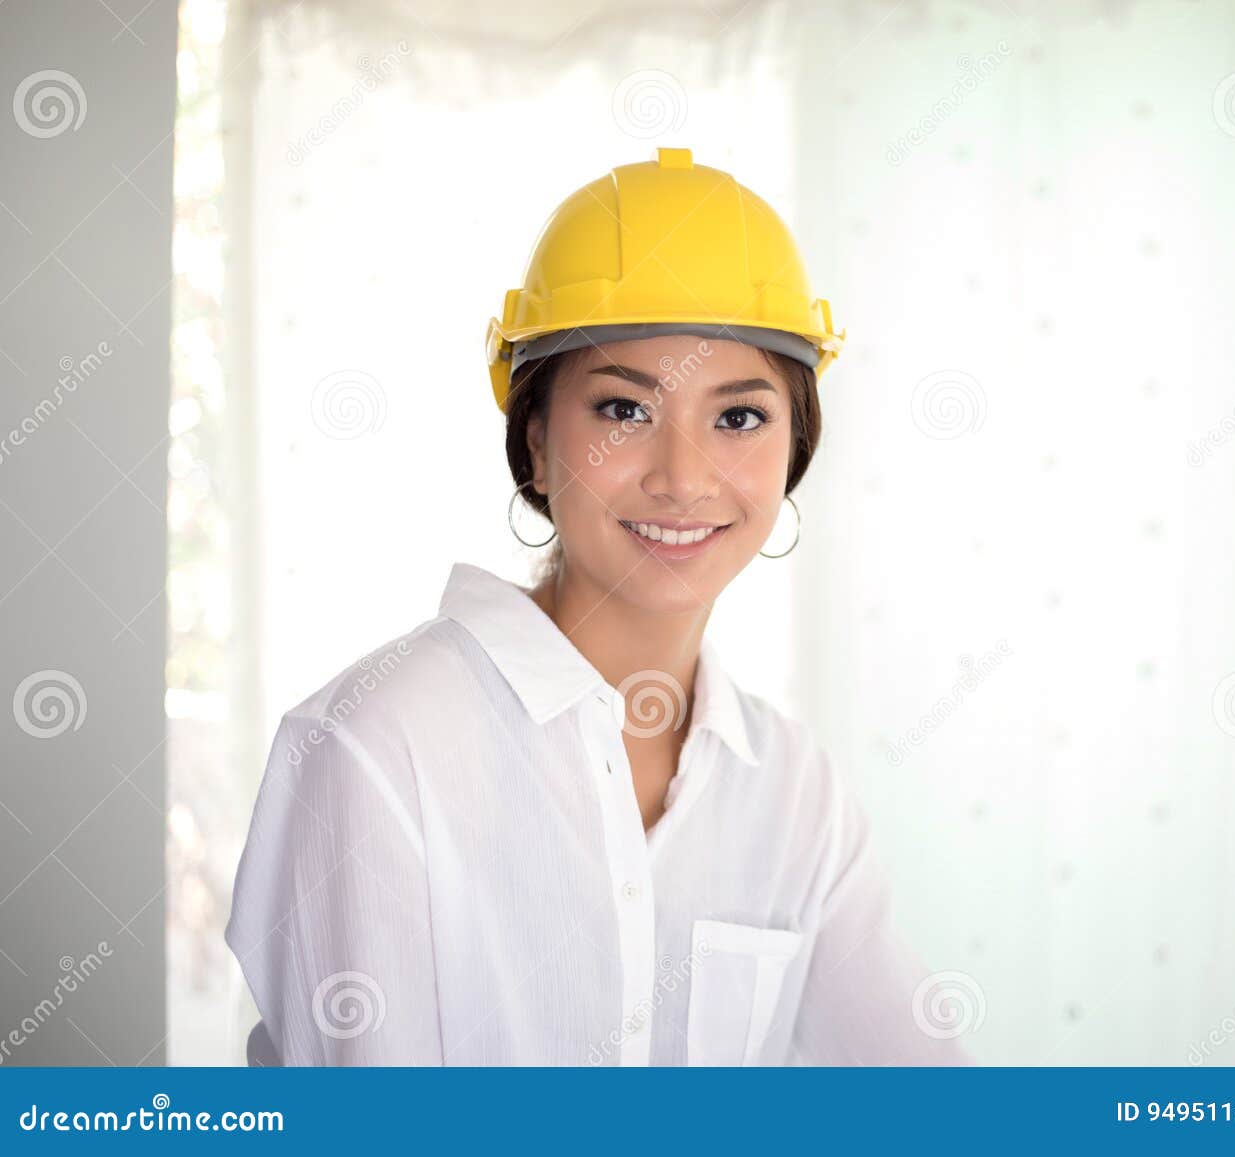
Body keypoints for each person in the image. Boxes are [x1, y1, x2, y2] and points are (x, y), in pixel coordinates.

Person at [224, 148, 971, 1066]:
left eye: (738, 417)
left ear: (794, 452)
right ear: (535, 443)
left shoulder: (793, 791)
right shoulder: (378, 744)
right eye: (623, 408)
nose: (682, 478)